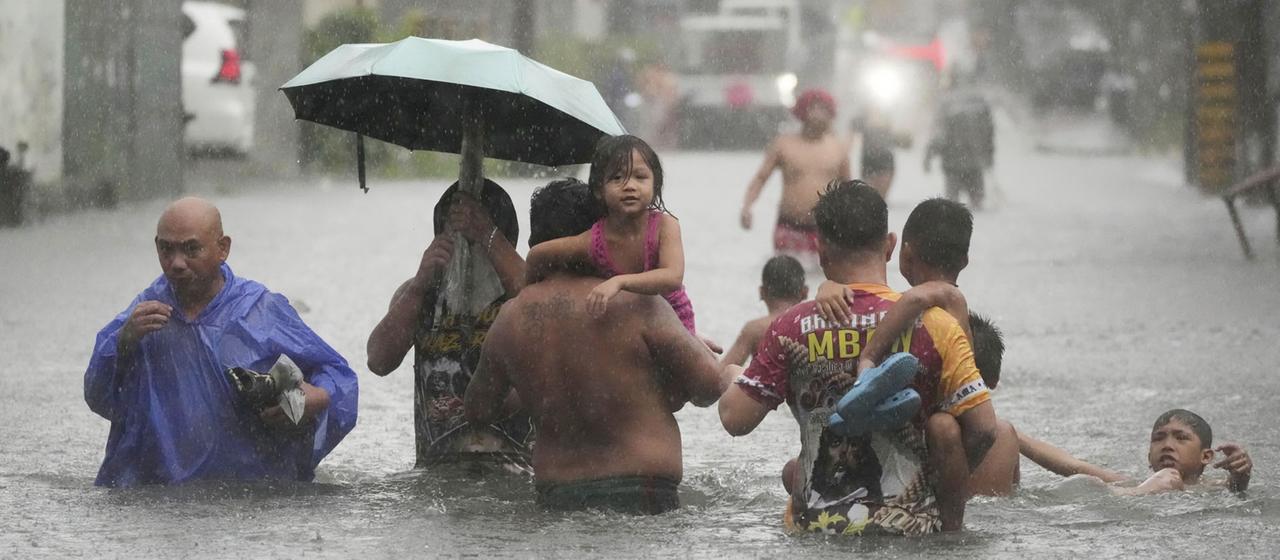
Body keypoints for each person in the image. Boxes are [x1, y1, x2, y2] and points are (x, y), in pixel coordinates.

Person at [718, 180, 997, 535]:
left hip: (817, 531)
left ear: (820, 251)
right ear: (891, 245)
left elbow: (734, 419)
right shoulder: (935, 325)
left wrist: (731, 376)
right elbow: (984, 430)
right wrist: (936, 483)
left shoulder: (789, 328)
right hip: (911, 532)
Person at [464, 178, 728, 514]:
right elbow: (709, 386)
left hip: (557, 499)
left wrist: (534, 383)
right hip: (643, 494)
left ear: (536, 241)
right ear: (600, 237)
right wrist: (685, 348)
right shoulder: (636, 302)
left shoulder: (510, 320)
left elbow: (477, 411)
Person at [83, 197, 358, 487]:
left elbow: (339, 376)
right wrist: (124, 342)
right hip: (158, 495)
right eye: (166, 249)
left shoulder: (258, 310)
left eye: (191, 249)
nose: (176, 263)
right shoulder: (142, 315)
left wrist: (317, 397)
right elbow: (98, 395)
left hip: (251, 495)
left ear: (222, 248)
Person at [366, 179, 532, 473]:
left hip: (513, 462)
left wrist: (486, 234)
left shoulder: (520, 297)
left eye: (477, 239)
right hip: (439, 464)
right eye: (457, 236)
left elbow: (537, 301)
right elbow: (379, 361)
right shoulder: (420, 295)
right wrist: (419, 284)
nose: (468, 251)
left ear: (507, 239)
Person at [525, 134, 697, 335]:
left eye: (640, 177)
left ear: (655, 185)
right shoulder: (594, 241)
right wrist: (525, 296)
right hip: (625, 328)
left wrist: (619, 282)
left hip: (675, 322)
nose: (630, 186)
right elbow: (537, 254)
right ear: (599, 190)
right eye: (617, 178)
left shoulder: (665, 226)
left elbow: (672, 276)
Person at [1019, 409, 1253, 495]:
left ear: (1206, 456)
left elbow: (1235, 489)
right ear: (1149, 457)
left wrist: (1241, 476)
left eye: (1181, 438)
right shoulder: (1132, 483)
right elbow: (1071, 465)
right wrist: (1010, 433)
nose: (1168, 445)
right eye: (1158, 439)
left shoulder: (1213, 488)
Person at [739, 88, 852, 263]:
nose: (819, 114)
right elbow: (760, 179)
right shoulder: (783, 145)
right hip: (789, 227)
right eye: (815, 108)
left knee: (824, 277)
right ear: (803, 110)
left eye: (824, 109)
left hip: (826, 230)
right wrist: (747, 207)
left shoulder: (838, 148)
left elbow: (849, 190)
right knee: (786, 277)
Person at [720, 255, 808, 367]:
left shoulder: (755, 329)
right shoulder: (810, 324)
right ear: (805, 292)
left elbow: (723, 372)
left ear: (761, 292)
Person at [924, 90, 994, 208]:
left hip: (953, 165)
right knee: (976, 202)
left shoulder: (947, 105)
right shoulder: (979, 104)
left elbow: (939, 136)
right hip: (973, 164)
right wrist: (988, 156)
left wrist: (928, 157)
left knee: (952, 205)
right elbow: (988, 135)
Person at [850, 107, 910, 200]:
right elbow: (852, 133)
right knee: (869, 197)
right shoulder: (863, 119)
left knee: (880, 198)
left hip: (886, 162)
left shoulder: (889, 117)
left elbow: (905, 141)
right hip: (869, 162)